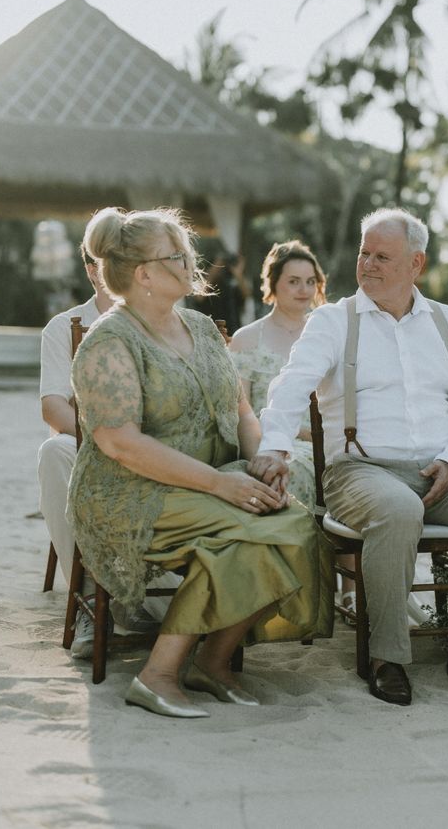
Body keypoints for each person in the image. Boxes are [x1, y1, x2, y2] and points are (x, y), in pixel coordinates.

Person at [250, 207, 448, 707]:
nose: (369, 265)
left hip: (442, 470)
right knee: (400, 510)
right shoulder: (333, 320)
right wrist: (274, 445)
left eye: (383, 256)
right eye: (365, 253)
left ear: (416, 264)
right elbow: (290, 387)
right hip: (359, 471)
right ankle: (387, 657)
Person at [69, 206, 332, 718]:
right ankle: (158, 674)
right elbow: (121, 444)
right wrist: (219, 485)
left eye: (187, 252)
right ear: (144, 274)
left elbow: (242, 411)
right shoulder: (110, 342)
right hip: (132, 493)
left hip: (213, 481)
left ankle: (211, 663)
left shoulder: (202, 328)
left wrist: (265, 460)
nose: (193, 261)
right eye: (178, 255)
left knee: (298, 523)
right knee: (248, 533)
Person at [38, 247, 169, 656]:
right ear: (90, 269)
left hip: (157, 449)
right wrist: (107, 439)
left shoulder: (163, 322)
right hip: (88, 444)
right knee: (54, 452)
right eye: (101, 260)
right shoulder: (64, 327)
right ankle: (90, 601)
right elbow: (53, 406)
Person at [227, 240, 326, 511]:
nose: (304, 290)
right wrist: (262, 450)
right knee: (267, 475)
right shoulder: (246, 339)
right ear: (273, 282)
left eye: (310, 281)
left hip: (323, 442)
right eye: (294, 281)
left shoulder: (328, 335)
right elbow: (239, 411)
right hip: (264, 442)